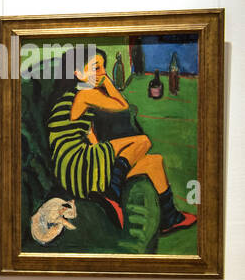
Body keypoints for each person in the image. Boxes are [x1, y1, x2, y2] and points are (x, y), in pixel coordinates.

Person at [45, 45, 195, 235]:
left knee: (154, 162)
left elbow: (88, 134)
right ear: (78, 73)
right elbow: (122, 105)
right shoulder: (85, 94)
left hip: (72, 168)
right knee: (143, 142)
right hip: (76, 164)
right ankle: (111, 192)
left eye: (103, 67)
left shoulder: (70, 97)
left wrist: (104, 160)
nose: (102, 72)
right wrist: (107, 81)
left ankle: (170, 218)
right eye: (96, 68)